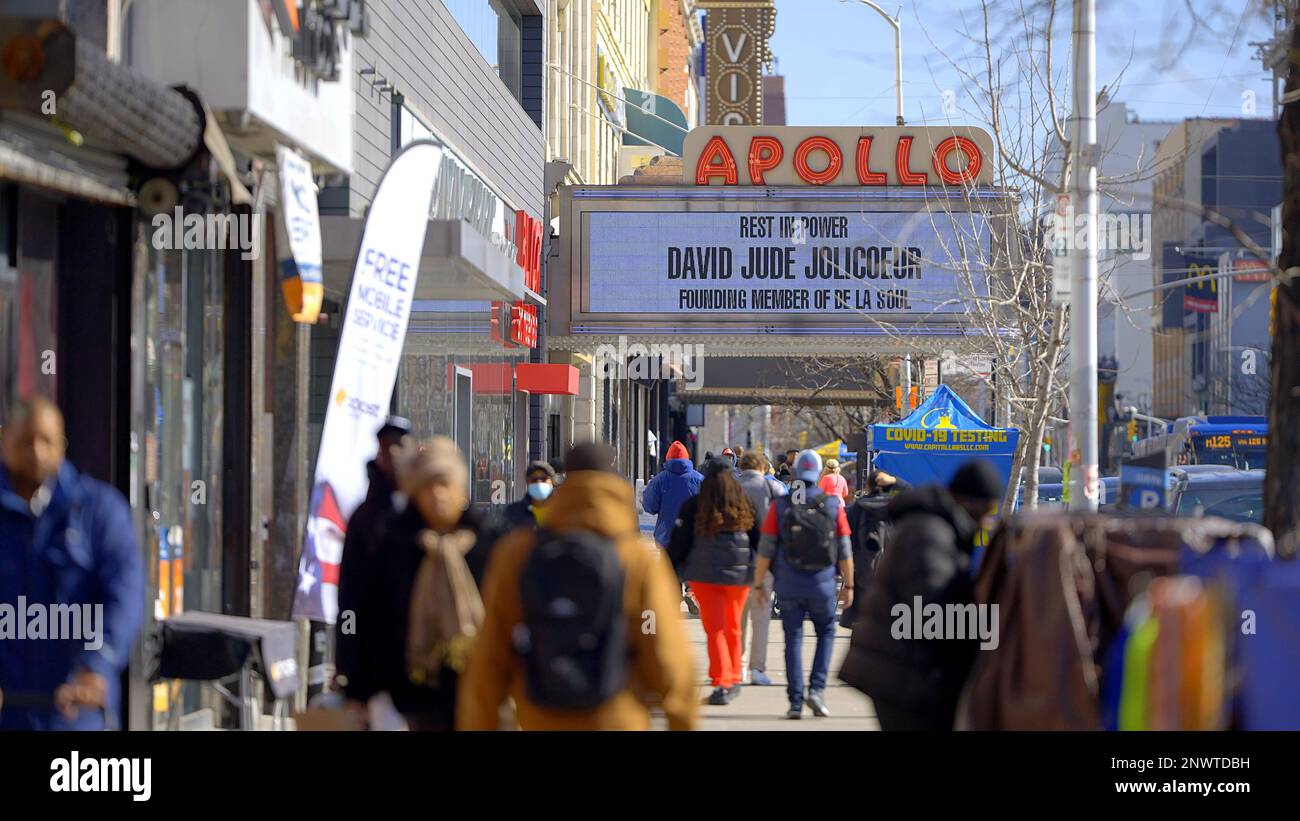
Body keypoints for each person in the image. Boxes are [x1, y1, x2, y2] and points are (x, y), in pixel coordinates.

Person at [458, 443, 698, 730]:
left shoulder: (518, 552)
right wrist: (681, 719)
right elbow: (666, 651)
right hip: (617, 715)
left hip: (540, 714)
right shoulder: (637, 561)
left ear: (564, 480)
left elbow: (491, 650)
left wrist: (479, 720)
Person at [0, 397, 144, 730]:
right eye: (25, 440)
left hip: (75, 714)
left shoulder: (99, 512)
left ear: (62, 445)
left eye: (47, 441)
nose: (36, 452)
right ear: (5, 441)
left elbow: (125, 596)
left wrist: (97, 664)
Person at [341, 436, 496, 731]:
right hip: (406, 693)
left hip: (478, 690)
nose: (437, 495)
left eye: (445, 484)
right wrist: (357, 684)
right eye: (427, 486)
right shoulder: (394, 544)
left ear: (461, 489)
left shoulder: (488, 544)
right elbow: (362, 612)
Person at [838, 460, 1002, 731]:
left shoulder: (935, 527)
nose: (987, 519)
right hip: (903, 674)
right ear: (972, 502)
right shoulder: (929, 534)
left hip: (901, 668)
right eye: (987, 509)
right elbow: (930, 611)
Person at [752, 450, 854, 719]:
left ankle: (795, 701)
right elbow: (845, 550)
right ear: (819, 473)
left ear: (796, 472)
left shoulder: (782, 505)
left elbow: (765, 548)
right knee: (826, 634)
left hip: (788, 584)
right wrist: (849, 585)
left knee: (792, 639)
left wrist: (760, 583)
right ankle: (817, 691)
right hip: (822, 585)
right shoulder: (832, 505)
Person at [667, 459, 758, 705]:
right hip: (739, 576)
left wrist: (670, 570)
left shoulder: (694, 505)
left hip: (703, 576)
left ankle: (721, 681)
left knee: (715, 628)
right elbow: (758, 540)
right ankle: (734, 677)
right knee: (733, 626)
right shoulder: (743, 504)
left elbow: (679, 543)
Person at [335, 416, 410, 696]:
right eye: (386, 447)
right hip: (377, 653)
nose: (393, 454)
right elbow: (349, 597)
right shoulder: (365, 518)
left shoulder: (426, 508)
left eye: (399, 445)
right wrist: (345, 660)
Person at [736, 452, 786, 686]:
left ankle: (737, 665)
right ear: (762, 468)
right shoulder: (772, 489)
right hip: (763, 562)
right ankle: (757, 668)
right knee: (761, 616)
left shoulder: (730, 486)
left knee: (737, 618)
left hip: (733, 560)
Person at [840, 469, 911, 628]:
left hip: (860, 574)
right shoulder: (896, 507)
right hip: (890, 575)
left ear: (868, 487)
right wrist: (895, 480)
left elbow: (844, 541)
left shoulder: (856, 508)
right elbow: (914, 495)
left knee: (860, 630)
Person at [504, 460, 558, 528]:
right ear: (527, 482)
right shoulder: (513, 512)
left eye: (543, 479)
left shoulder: (563, 510)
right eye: (534, 479)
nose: (539, 482)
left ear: (552, 481)